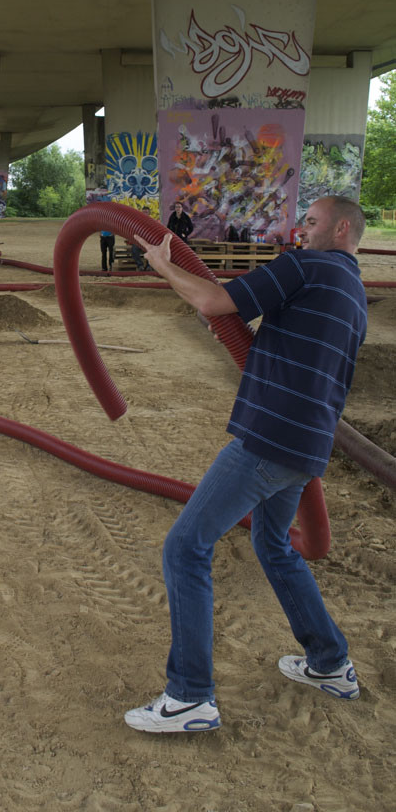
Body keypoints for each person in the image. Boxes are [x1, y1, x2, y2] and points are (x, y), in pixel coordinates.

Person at [127, 196, 367, 733]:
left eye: (310, 222)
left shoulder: (305, 266)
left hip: (268, 437)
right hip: (306, 445)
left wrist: (165, 264)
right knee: (273, 544)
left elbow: (214, 303)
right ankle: (330, 663)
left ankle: (190, 697)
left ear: (342, 226)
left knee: (185, 547)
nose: (299, 229)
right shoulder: (353, 289)